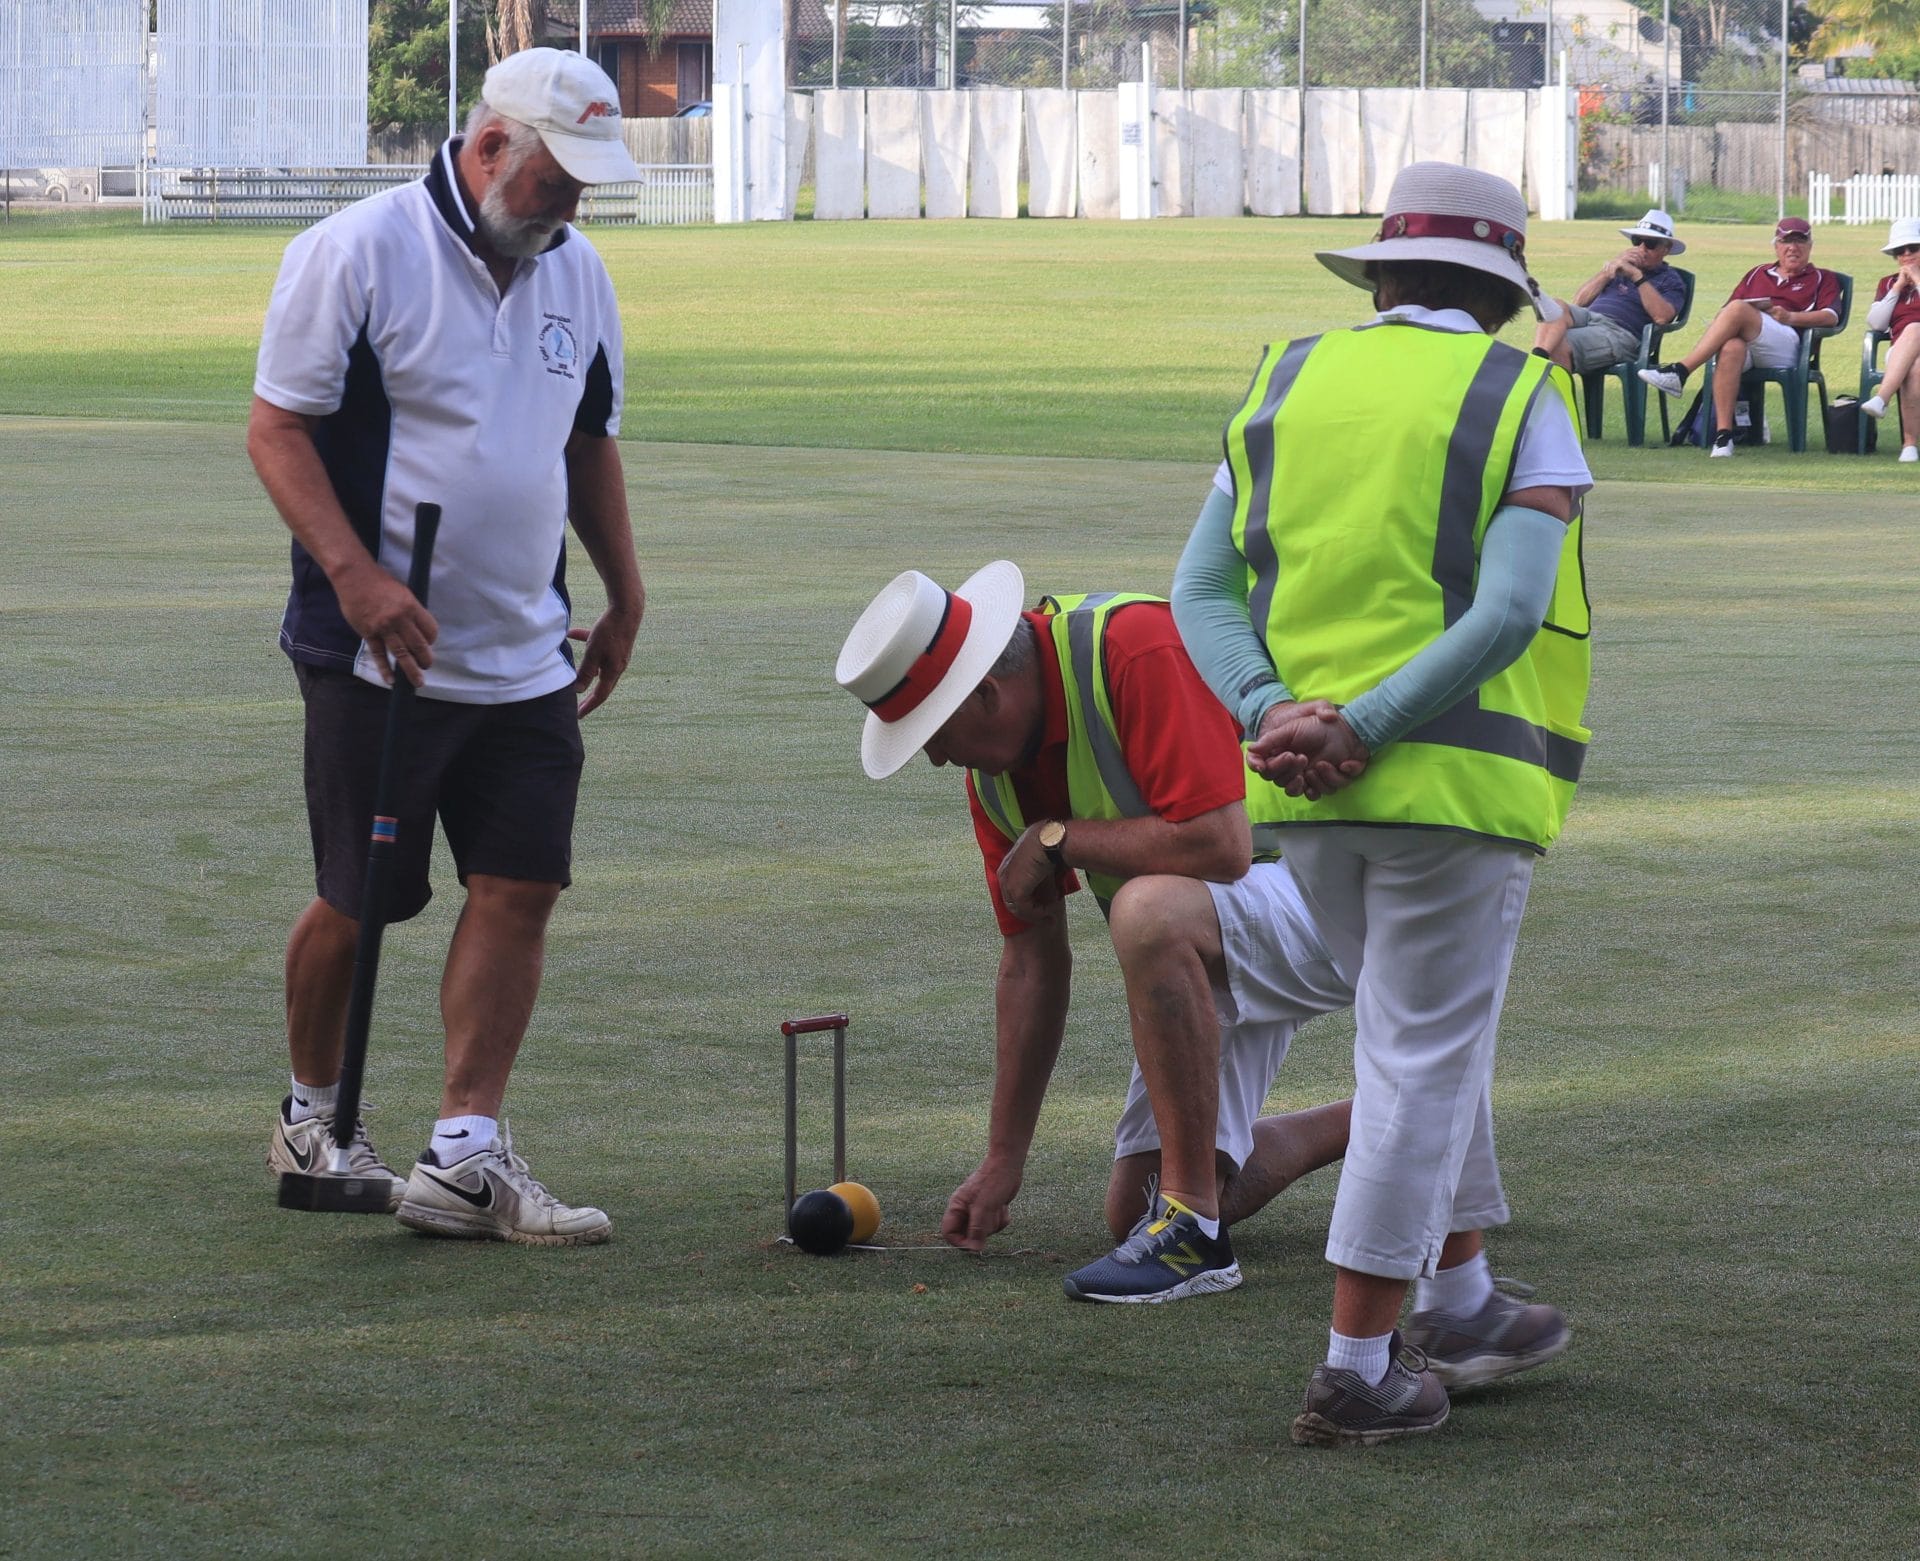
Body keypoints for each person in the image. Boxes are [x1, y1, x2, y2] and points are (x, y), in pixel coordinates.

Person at [1171, 163, 1593, 1445]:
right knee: (1419, 1055)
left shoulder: (1286, 382)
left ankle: (1459, 1298)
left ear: (1384, 275)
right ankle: (1360, 1364)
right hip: (1455, 784)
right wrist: (1365, 726)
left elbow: (1201, 592)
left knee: (1413, 1042)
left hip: (1300, 795)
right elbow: (1512, 609)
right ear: (1503, 291)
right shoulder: (1525, 391)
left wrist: (1272, 712)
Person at [248, 49, 646, 1245]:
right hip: (380, 648)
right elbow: (277, 432)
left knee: (522, 882)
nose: (569, 209)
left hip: (525, 641)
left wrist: (626, 593)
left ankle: (465, 1153)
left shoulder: (578, 272)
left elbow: (588, 443)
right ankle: (312, 1116)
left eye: (583, 189)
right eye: (554, 182)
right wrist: (357, 580)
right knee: (359, 898)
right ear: (486, 149)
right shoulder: (355, 251)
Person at [834, 564, 1355, 1303]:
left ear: (984, 693)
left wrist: (1059, 838)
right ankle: (1398, 1120)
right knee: (1132, 1207)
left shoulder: (1132, 647)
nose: (936, 756)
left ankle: (1195, 1236)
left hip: (1332, 896)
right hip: (1217, 933)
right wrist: (1002, 1159)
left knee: (1146, 909)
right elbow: (1031, 964)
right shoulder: (994, 778)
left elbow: (1221, 845)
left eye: (932, 732)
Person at [1639, 215, 1842, 456]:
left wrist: (1790, 317)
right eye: (1786, 241)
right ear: (1776, 245)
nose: (1793, 247)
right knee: (1731, 347)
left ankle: (1681, 371)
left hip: (1790, 345)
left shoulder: (1823, 278)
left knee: (1737, 309)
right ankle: (1724, 437)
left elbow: (1831, 317)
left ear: (1810, 246)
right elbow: (1725, 314)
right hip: (1752, 341)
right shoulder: (1757, 273)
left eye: (1800, 241)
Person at [1532, 208, 1686, 375]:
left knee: (1558, 344)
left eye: (1650, 244)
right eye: (1637, 240)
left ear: (1666, 248)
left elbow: (1662, 317)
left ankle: (1546, 385)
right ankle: (1537, 359)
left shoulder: (1671, 280)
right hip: (1590, 318)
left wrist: (1637, 277)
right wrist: (1608, 272)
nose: (1641, 248)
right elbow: (1579, 301)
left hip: (1622, 333)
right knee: (1555, 306)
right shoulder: (1621, 266)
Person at [1859, 216, 1920, 464]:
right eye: (1900, 251)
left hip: (1910, 341)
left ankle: (1881, 398)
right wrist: (1896, 288)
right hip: (1900, 352)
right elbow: (1876, 323)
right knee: (1915, 368)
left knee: (1916, 328)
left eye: (1913, 248)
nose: (1906, 255)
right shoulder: (1887, 283)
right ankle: (1909, 445)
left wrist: (1916, 279)